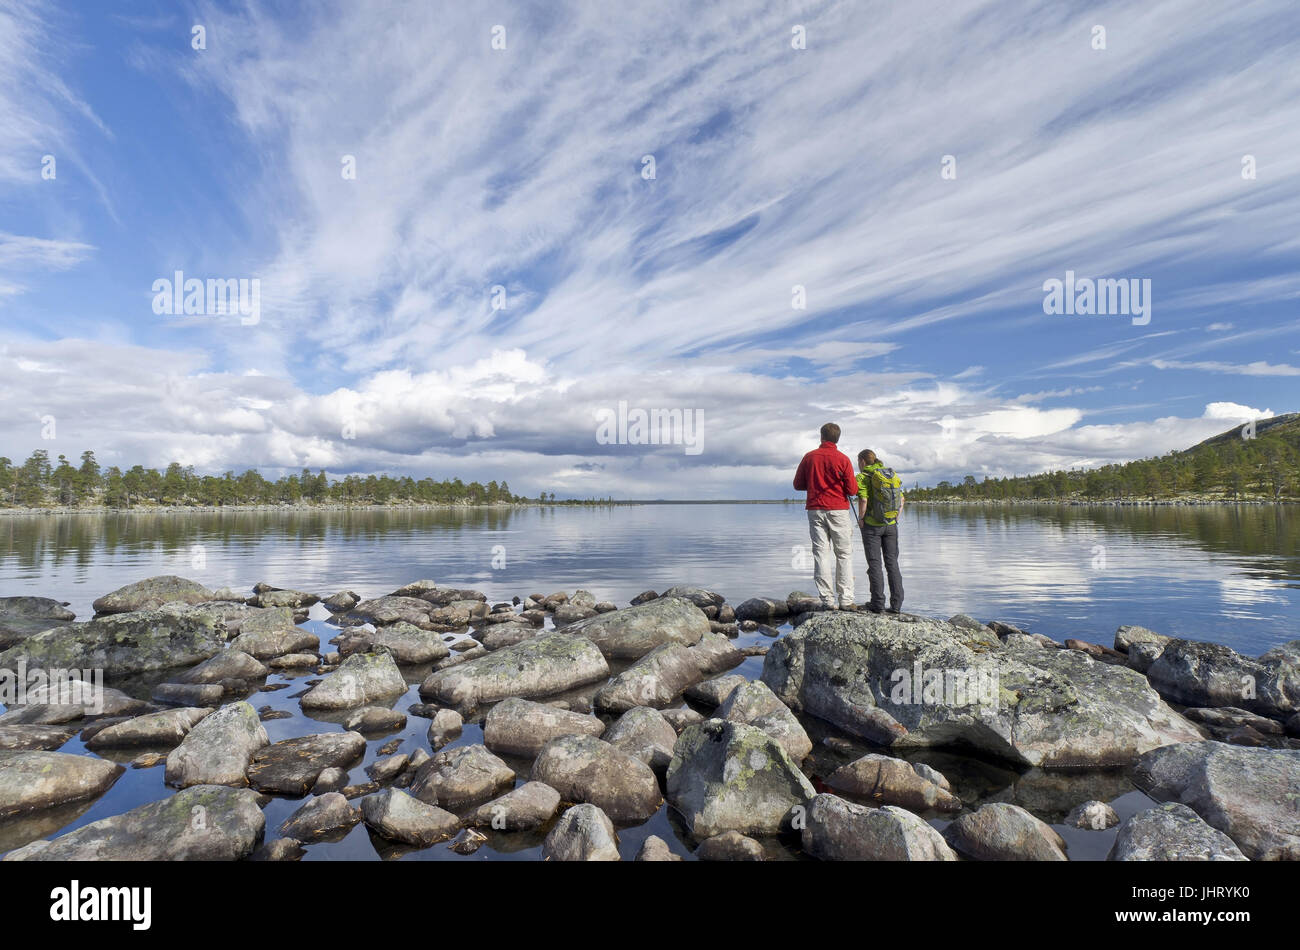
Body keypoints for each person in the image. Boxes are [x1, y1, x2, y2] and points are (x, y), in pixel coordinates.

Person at [793, 423, 858, 609]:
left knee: (821, 554)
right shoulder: (843, 459)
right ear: (838, 438)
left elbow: (797, 484)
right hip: (838, 509)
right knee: (844, 554)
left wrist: (814, 484)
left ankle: (827, 601)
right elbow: (852, 489)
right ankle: (846, 600)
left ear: (821, 436)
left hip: (815, 509)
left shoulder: (809, 457)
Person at [856, 449, 904, 614]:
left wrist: (861, 519)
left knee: (875, 564)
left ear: (862, 461)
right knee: (892, 563)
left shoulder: (863, 477)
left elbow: (863, 499)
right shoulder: (889, 474)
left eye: (858, 462)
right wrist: (896, 518)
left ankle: (878, 604)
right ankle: (896, 605)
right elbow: (902, 499)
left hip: (872, 526)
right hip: (891, 525)